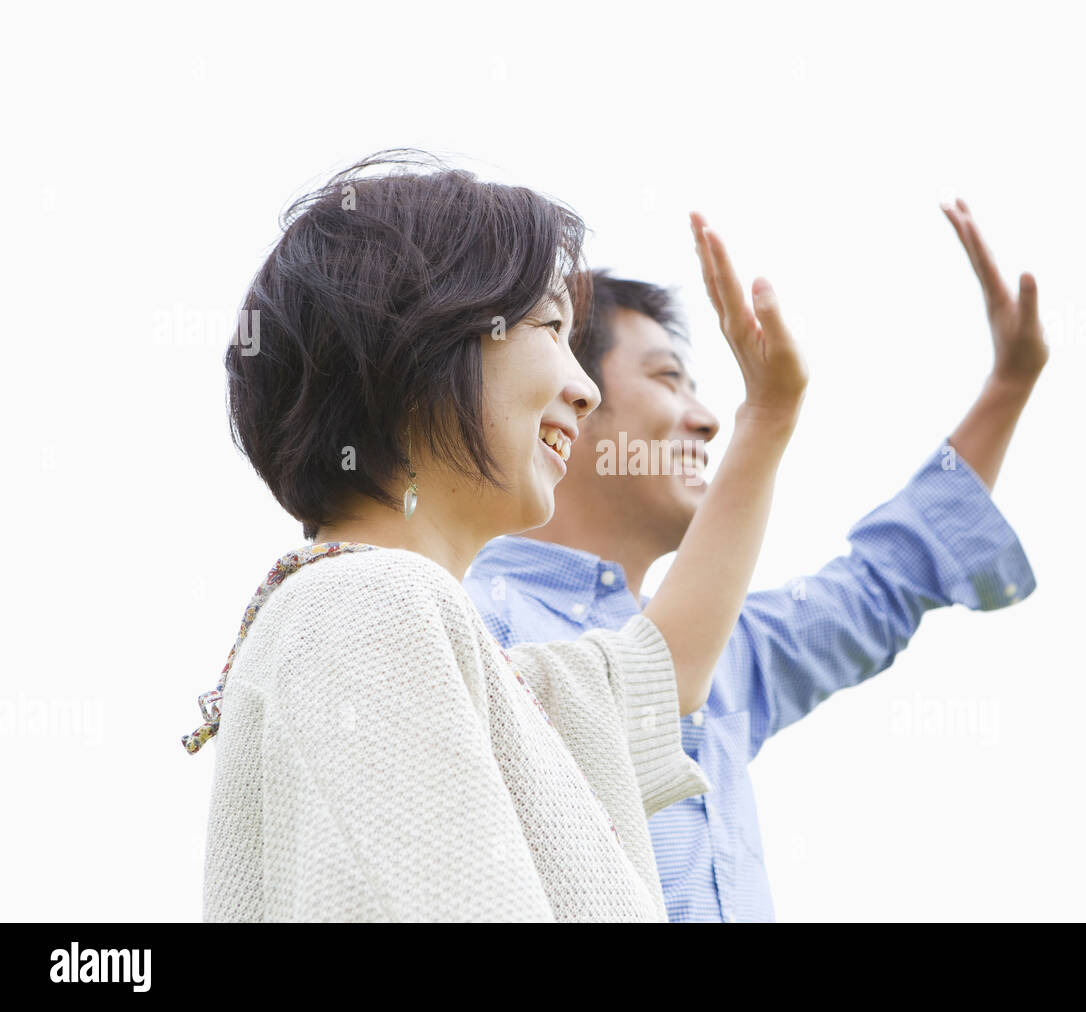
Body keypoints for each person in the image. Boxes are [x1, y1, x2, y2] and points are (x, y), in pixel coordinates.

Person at [180, 150, 808, 922]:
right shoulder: (365, 607)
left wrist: (770, 416)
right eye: (550, 328)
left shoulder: (462, 665)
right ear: (421, 343)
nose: (582, 390)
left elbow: (666, 673)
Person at [465, 199, 1048, 921]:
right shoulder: (471, 624)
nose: (707, 419)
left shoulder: (725, 656)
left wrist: (1009, 386)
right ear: (573, 399)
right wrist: (767, 417)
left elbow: (889, 577)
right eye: (668, 378)